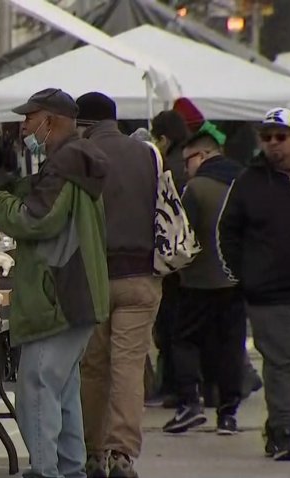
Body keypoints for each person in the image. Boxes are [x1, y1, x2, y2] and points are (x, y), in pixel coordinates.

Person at [0, 88, 109, 478]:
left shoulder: (67, 163)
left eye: (29, 118)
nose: (24, 127)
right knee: (63, 393)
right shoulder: (73, 163)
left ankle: (44, 471)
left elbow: (36, 219)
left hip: (59, 296)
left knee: (37, 390)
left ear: (50, 121)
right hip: (75, 296)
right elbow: (39, 201)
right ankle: (70, 471)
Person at [75, 92, 162, 478]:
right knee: (128, 368)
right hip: (141, 276)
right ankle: (121, 454)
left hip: (95, 277)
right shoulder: (148, 154)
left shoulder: (80, 155)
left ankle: (92, 451)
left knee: (93, 367)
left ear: (84, 123)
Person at [218, 107, 290, 462]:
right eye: (267, 137)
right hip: (270, 295)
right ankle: (287, 432)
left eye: (281, 137)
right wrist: (245, 274)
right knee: (281, 362)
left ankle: (277, 422)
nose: (273, 144)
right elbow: (228, 231)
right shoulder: (249, 182)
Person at [161, 131, 246, 435]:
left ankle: (189, 403)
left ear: (204, 156)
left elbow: (181, 235)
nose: (185, 168)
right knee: (231, 348)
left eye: (188, 160)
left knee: (183, 341)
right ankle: (228, 414)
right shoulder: (244, 183)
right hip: (236, 282)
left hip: (197, 281)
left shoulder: (195, 189)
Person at [147, 109, 191, 409]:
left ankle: (173, 387)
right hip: (189, 259)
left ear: (163, 138)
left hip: (171, 260)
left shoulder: (167, 170)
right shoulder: (187, 164)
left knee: (170, 328)